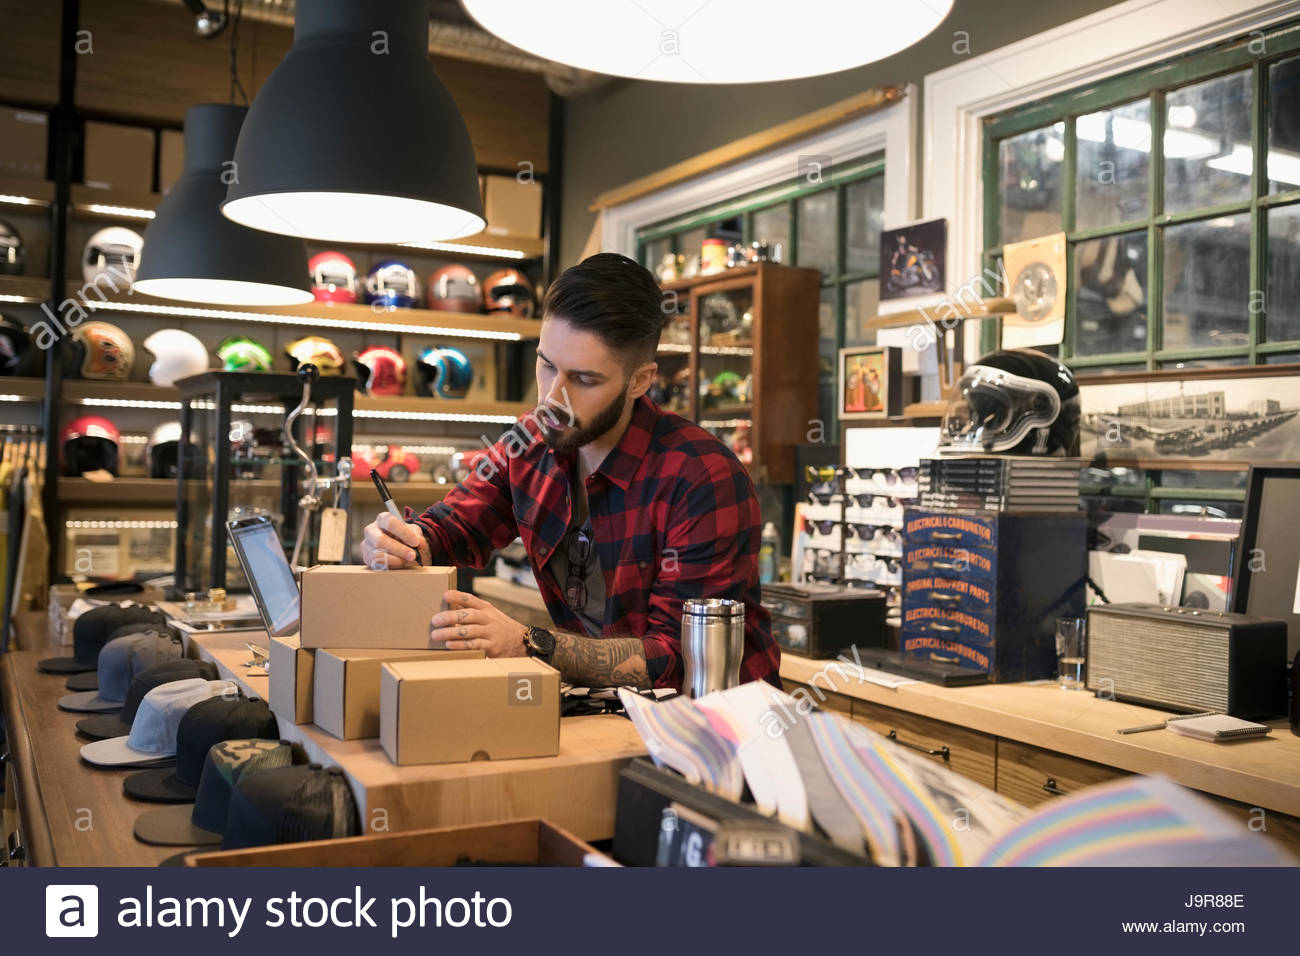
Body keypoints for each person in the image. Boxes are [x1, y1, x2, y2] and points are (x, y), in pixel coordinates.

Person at [361, 253, 780, 691]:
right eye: (546, 365)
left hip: (722, 734)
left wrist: (530, 644)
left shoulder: (702, 477)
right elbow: (453, 530)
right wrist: (406, 542)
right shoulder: (531, 441)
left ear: (640, 381)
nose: (553, 398)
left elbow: (676, 658)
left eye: (583, 379)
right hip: (615, 715)